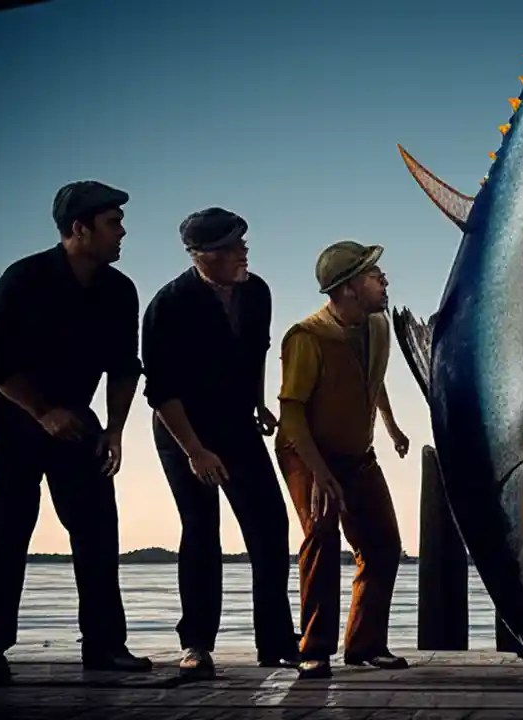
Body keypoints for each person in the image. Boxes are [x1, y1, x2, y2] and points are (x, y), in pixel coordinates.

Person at [0, 180, 151, 684]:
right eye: (113, 223)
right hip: (16, 417)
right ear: (79, 229)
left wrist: (114, 432)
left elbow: (123, 367)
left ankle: (105, 646)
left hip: (79, 423)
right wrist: (42, 411)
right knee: (7, 530)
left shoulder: (119, 290)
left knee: (97, 533)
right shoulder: (24, 277)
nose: (122, 232)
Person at [141, 207, 298, 679]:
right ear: (200, 255)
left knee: (270, 525)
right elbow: (160, 391)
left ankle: (276, 643)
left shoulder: (258, 291)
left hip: (236, 424)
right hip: (181, 429)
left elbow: (256, 354)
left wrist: (258, 403)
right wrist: (194, 451)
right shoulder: (168, 305)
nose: (242, 252)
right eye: (230, 247)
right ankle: (196, 645)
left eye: (242, 243)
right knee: (201, 529)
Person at [274, 240, 411, 679]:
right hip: (306, 450)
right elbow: (291, 413)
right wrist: (319, 473)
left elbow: (372, 377)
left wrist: (390, 427)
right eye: (374, 275)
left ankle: (365, 645)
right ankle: (313, 649)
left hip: (356, 452)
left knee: (384, 544)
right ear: (349, 287)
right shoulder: (306, 337)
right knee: (321, 536)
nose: (384, 280)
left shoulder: (377, 325)